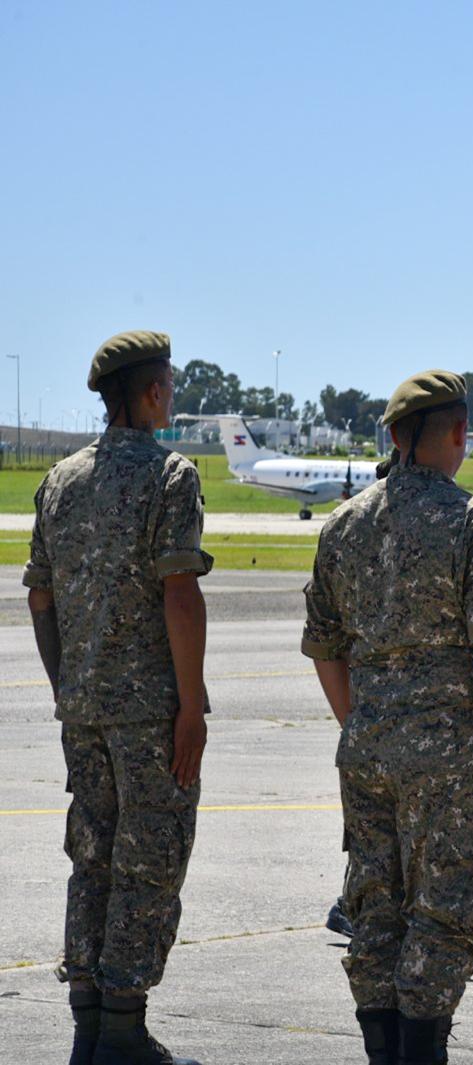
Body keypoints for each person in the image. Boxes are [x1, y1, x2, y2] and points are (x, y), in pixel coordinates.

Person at [303, 371, 473, 1064]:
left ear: (394, 437)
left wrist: (361, 722)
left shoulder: (342, 525)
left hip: (367, 749)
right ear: (457, 433)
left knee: (375, 907)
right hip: (450, 757)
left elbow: (325, 646)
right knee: (446, 910)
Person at [26, 331, 211, 1065]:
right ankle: (124, 1032)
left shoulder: (61, 479)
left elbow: (40, 598)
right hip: (151, 714)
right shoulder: (171, 475)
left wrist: (67, 683)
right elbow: (181, 596)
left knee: (93, 857)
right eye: (168, 382)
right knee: (149, 861)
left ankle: (90, 1027)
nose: (172, 393)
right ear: (150, 392)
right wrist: (191, 706)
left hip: (85, 711)